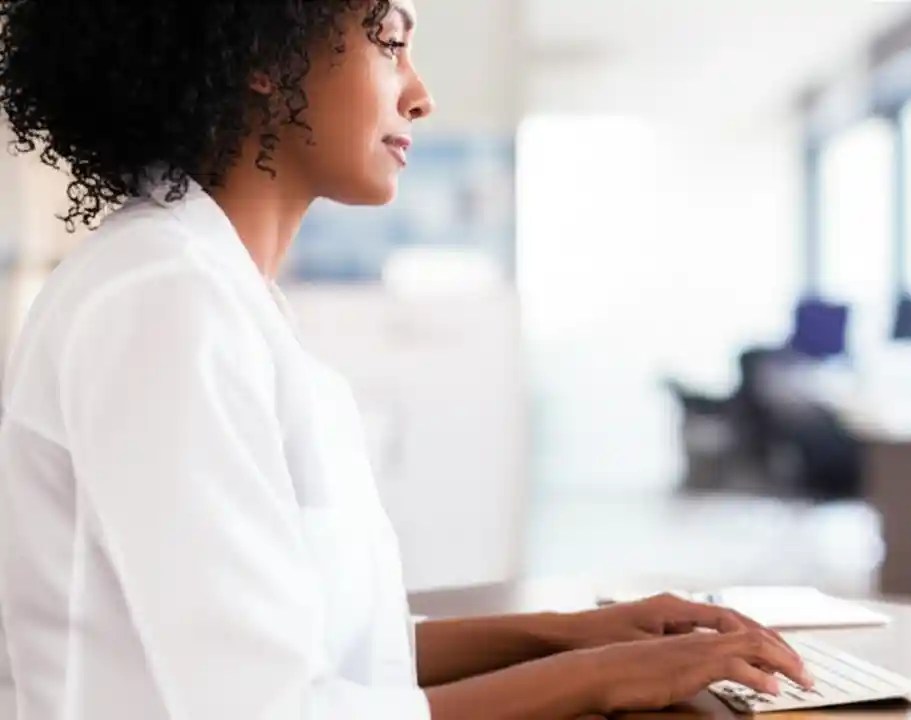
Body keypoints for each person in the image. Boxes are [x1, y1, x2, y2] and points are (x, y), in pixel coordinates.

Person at [0, 1, 812, 718]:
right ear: (261, 54)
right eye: (389, 42)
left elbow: (339, 650)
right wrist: (607, 676)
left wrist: (575, 635)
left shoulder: (211, 290)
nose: (420, 95)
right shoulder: (165, 301)